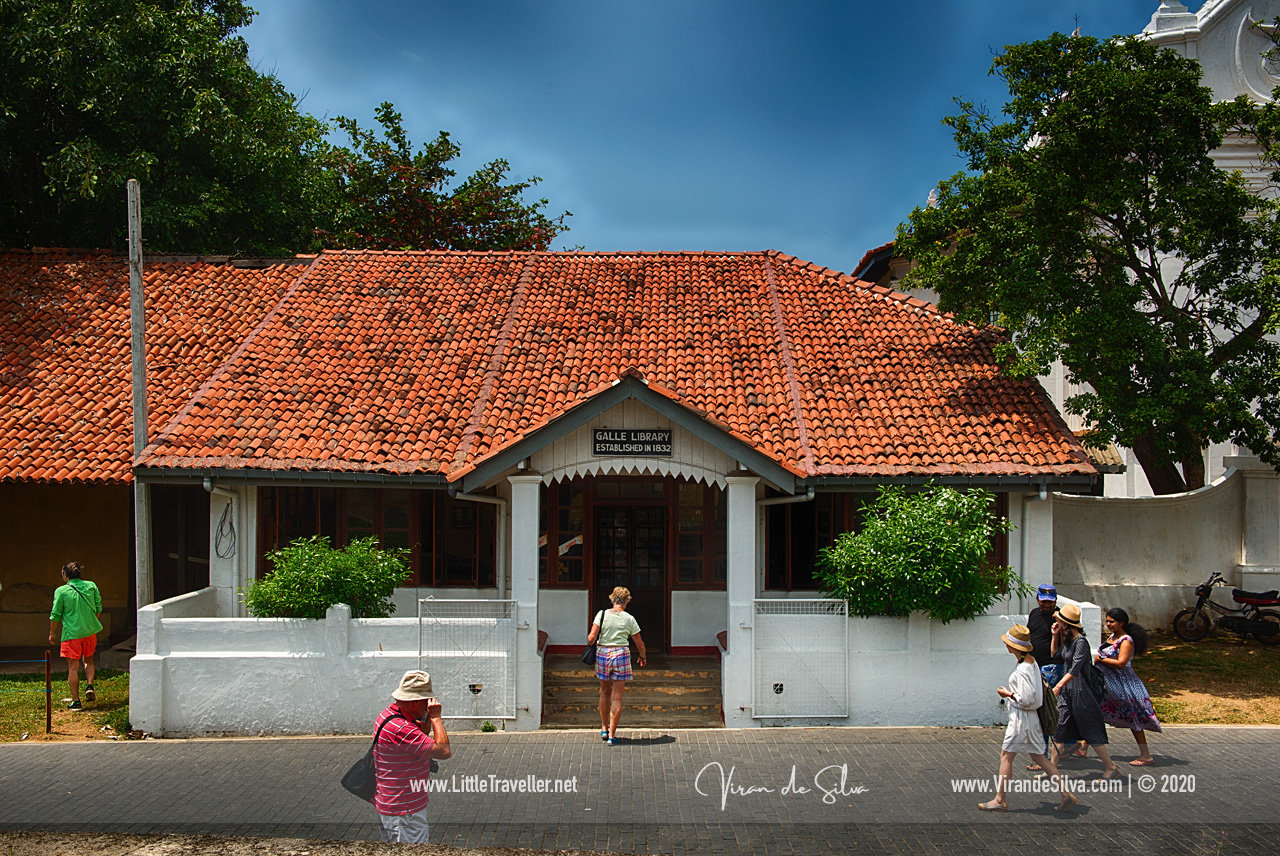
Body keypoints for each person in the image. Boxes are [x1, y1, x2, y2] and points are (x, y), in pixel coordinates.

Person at [978, 624, 1078, 812]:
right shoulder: (1031, 663)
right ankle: (1065, 794)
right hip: (1030, 720)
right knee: (1039, 758)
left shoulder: (1024, 669)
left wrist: (1007, 694)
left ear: (1014, 647)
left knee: (1006, 756)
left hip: (1022, 721)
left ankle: (1000, 799)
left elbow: (1026, 698)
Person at [372, 670, 452, 844]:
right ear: (415, 701)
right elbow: (444, 751)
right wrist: (436, 718)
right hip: (405, 812)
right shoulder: (401, 728)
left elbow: (420, 736)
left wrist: (425, 717)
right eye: (425, 701)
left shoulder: (388, 716)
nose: (428, 705)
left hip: (391, 805)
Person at [1049, 602, 1118, 779]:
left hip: (1081, 692)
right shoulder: (1068, 641)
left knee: (1090, 730)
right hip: (1068, 692)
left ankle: (1110, 767)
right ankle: (1051, 771)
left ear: (1067, 624)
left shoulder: (1081, 643)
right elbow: (1055, 655)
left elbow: (1075, 668)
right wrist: (1054, 636)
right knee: (1059, 728)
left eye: (1060, 622)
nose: (1058, 623)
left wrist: (1058, 685)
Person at [1095, 607, 1162, 766]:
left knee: (1133, 718)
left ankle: (1145, 754)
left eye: (1112, 622)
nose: (1108, 624)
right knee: (1097, 712)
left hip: (1124, 685)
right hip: (1108, 685)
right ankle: (1083, 747)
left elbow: (1121, 663)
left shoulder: (1126, 641)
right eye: (1107, 621)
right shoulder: (1112, 637)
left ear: (1122, 623)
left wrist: (1100, 660)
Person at [587, 586, 646, 745]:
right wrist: (642, 656)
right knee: (617, 696)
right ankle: (612, 736)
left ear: (612, 599)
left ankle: (604, 728)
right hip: (621, 654)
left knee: (605, 692)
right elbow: (639, 644)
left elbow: (591, 638)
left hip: (603, 654)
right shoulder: (629, 619)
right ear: (626, 601)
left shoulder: (602, 614)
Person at [48, 561, 103, 710]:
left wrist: (52, 633)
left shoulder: (61, 591)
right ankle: (90, 685)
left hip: (71, 634)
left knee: (73, 667)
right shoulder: (91, 585)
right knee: (89, 660)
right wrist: (91, 623)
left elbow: (55, 615)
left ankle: (76, 701)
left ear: (65, 575)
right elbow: (98, 607)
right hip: (90, 632)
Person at [1027, 584, 1064, 686]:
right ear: (1037, 599)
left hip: (1051, 667)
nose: (1047, 605)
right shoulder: (1034, 613)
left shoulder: (1061, 617)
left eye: (1050, 602)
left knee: (1048, 699)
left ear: (1055, 600)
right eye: (1044, 601)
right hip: (1034, 665)